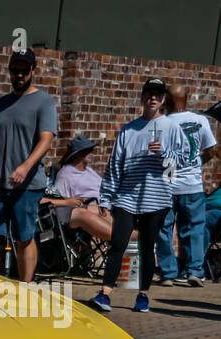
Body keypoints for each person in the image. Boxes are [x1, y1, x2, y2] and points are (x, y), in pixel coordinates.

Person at [90, 78, 189, 314]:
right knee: (118, 243)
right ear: (142, 97)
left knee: (147, 247)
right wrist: (106, 196)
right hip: (126, 196)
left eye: (157, 95)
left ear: (163, 99)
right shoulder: (129, 129)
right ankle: (105, 294)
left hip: (157, 197)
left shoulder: (172, 127)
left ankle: (142, 295)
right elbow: (115, 164)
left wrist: (164, 153)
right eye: (149, 94)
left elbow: (185, 159)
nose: (152, 98)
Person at [0, 48, 57, 281]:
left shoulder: (43, 102)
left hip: (26, 185)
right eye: (15, 70)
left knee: (23, 237)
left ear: (33, 71)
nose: (19, 76)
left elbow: (47, 139)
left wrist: (25, 166)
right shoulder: (2, 104)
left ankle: (25, 289)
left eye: (24, 71)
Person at [156, 85, 219, 286]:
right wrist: (195, 163)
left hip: (167, 183)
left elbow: (156, 154)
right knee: (194, 229)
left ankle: (167, 273)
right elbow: (211, 151)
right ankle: (194, 271)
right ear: (188, 96)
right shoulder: (201, 121)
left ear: (166, 99)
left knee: (163, 229)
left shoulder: (161, 123)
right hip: (192, 185)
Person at [44, 136, 115, 242]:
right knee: (104, 211)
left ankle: (134, 235)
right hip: (89, 207)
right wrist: (76, 201)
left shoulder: (89, 170)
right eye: (88, 150)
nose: (92, 152)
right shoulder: (66, 174)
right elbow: (61, 201)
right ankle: (131, 237)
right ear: (78, 154)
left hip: (108, 203)